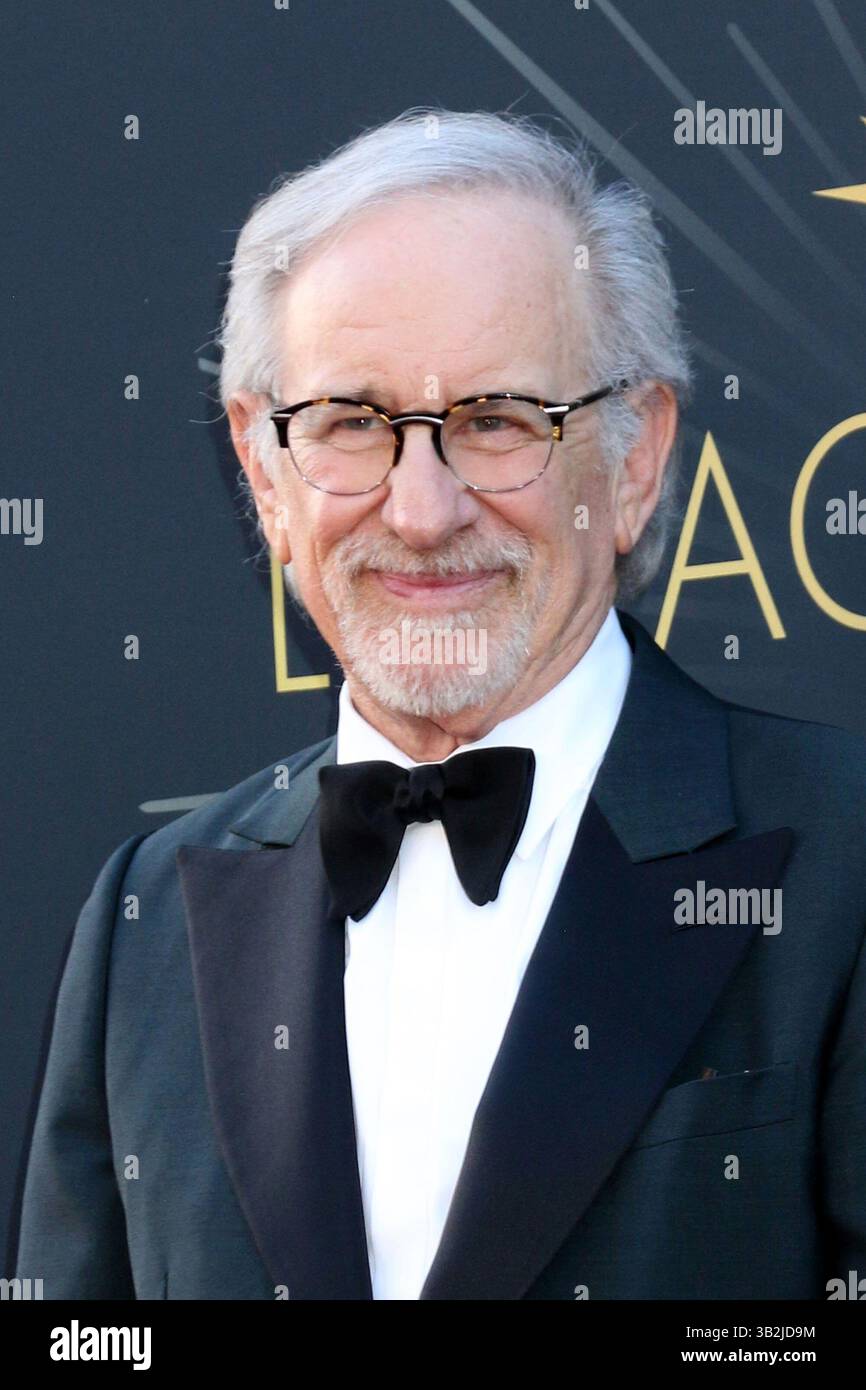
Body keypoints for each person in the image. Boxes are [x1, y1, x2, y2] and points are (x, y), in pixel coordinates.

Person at [15, 109, 866, 1300]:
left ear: (632, 461)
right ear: (265, 474)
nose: (421, 510)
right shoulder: (145, 917)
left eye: (495, 420)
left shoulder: (841, 861)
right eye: (353, 424)